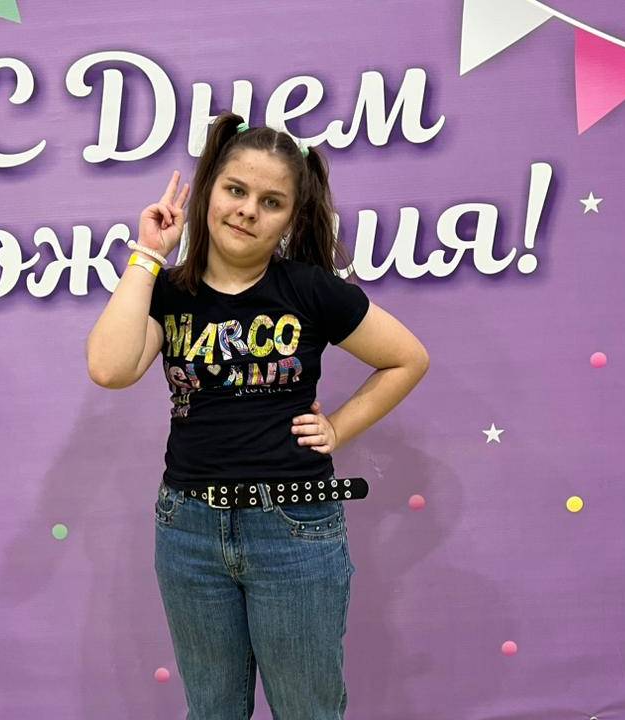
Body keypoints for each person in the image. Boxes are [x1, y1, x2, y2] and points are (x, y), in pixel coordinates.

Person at [86, 111, 429, 719]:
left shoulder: (309, 289)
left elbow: (407, 359)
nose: (247, 210)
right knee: (212, 711)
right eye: (235, 190)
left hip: (294, 528)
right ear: (208, 191)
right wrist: (147, 255)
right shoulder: (168, 292)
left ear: (291, 218)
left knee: (306, 710)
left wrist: (337, 428)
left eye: (271, 202)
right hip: (188, 529)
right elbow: (110, 368)